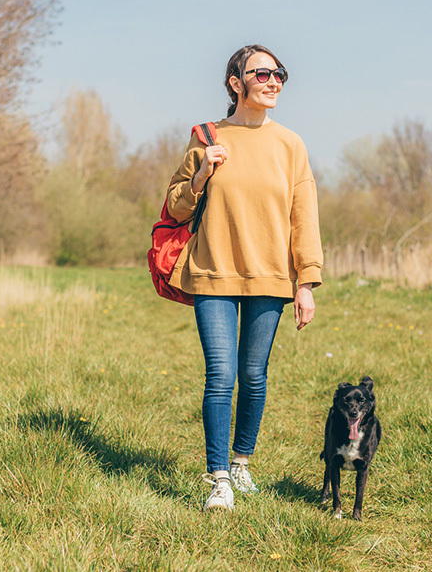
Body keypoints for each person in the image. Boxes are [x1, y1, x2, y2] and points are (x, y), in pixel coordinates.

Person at [165, 44, 323, 512]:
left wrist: (306, 281)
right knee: (221, 374)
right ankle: (218, 480)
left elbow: (303, 215)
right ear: (236, 83)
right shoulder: (207, 137)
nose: (273, 82)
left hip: (272, 275)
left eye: (280, 74)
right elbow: (174, 206)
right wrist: (201, 175)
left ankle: (241, 463)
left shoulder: (290, 144)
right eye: (262, 74)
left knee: (254, 376)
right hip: (213, 271)